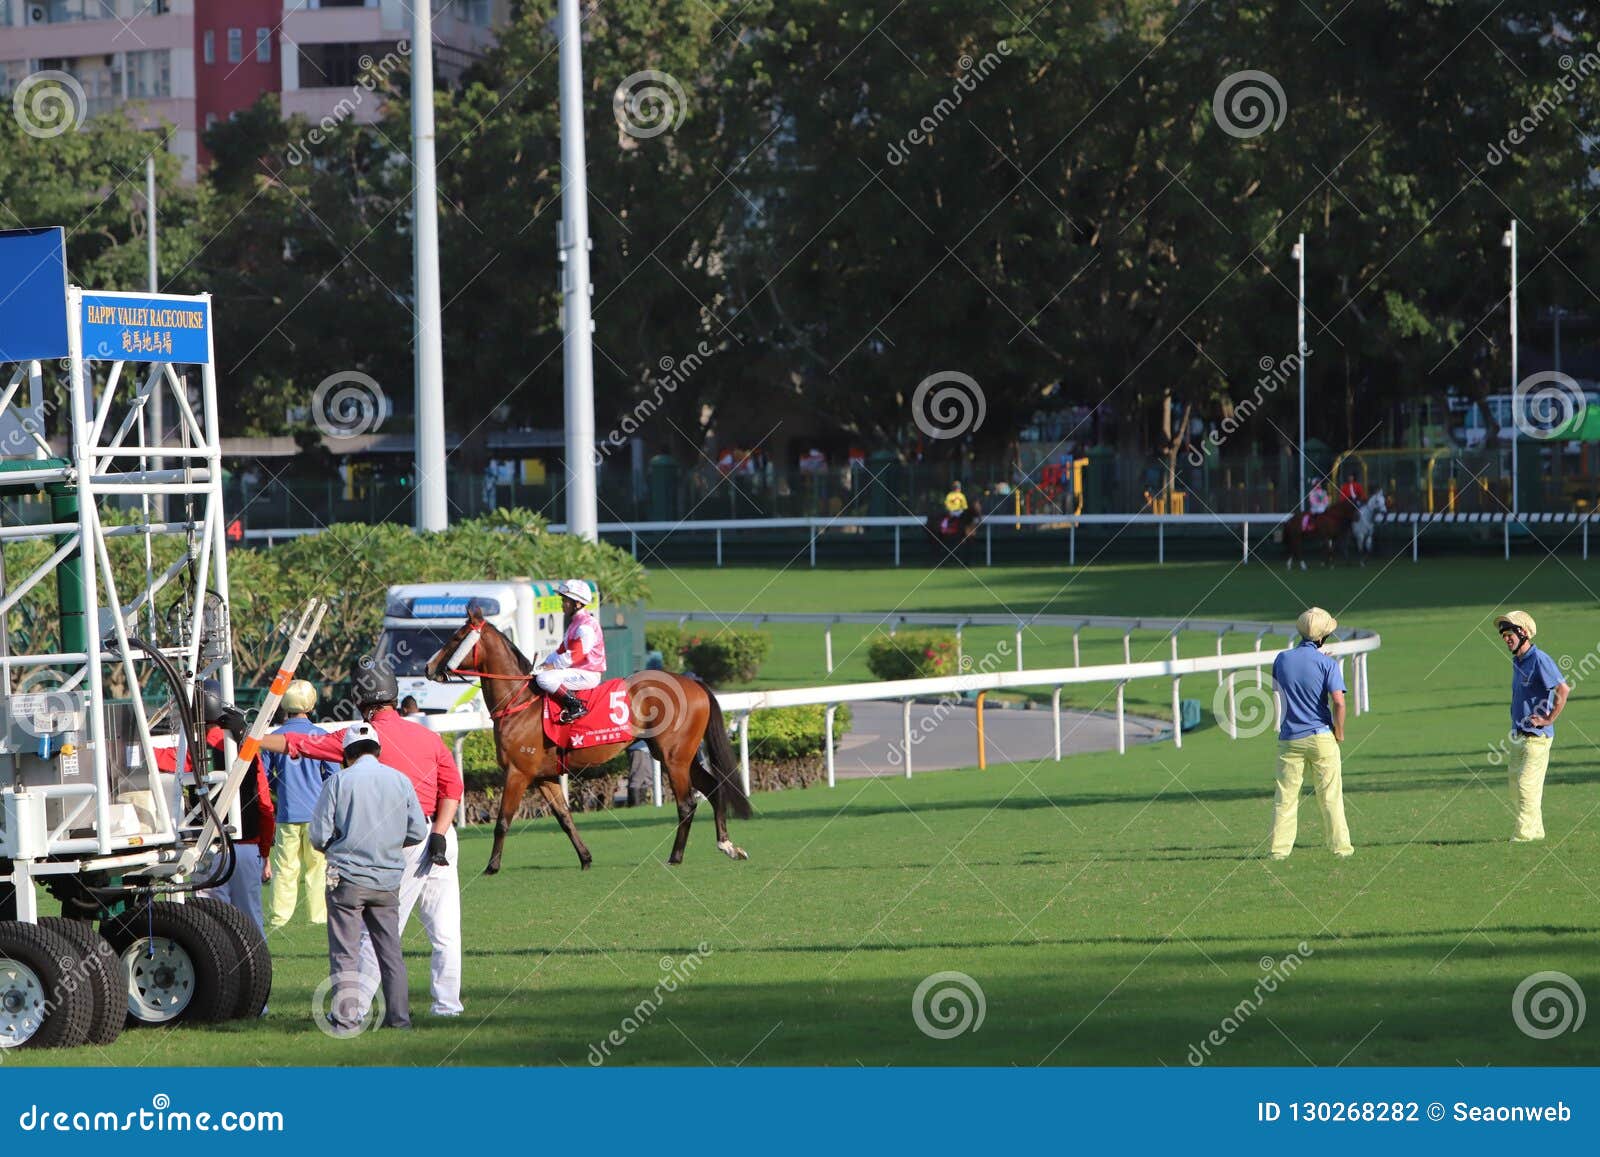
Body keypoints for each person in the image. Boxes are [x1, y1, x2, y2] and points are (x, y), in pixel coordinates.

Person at [258, 659, 465, 1016]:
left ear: (360, 700)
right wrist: (440, 834)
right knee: (445, 932)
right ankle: (447, 1005)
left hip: (398, 845)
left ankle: (353, 1010)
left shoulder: (357, 738)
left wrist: (253, 737)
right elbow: (453, 788)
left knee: (380, 932)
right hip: (439, 836)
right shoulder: (429, 736)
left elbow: (300, 744)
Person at [311, 722, 427, 1033]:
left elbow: (318, 836)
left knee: (345, 951)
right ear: (377, 750)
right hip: (388, 879)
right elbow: (417, 831)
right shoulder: (400, 780)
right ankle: (399, 1019)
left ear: (346, 754)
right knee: (390, 952)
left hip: (347, 878)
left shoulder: (338, 782)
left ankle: (347, 1019)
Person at [157, 680, 276, 932]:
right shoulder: (248, 749)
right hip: (246, 847)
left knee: (210, 927)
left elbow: (161, 760)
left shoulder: (193, 749)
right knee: (251, 922)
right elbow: (265, 804)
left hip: (208, 848)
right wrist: (264, 851)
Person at [1267, 607, 1354, 861]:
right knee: (1330, 797)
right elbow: (1338, 702)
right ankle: (1341, 849)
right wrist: (1340, 733)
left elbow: (1286, 686)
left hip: (1290, 738)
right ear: (1322, 637)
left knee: (1285, 798)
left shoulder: (1282, 659)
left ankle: (1279, 851)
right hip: (1321, 736)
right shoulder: (1328, 664)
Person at [264, 679, 338, 930]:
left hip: (286, 814)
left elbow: (263, 777)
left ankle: (279, 918)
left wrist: (279, 789)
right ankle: (318, 917)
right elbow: (332, 778)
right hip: (319, 815)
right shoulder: (322, 736)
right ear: (312, 703)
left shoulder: (273, 738)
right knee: (318, 868)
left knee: (285, 868)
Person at [1496, 611, 1569, 843]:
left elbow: (1563, 689)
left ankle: (1524, 834)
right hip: (1519, 734)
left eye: (1509, 634)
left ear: (1524, 633)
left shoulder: (1539, 659)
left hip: (1537, 737)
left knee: (1526, 785)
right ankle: (1536, 830)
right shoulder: (1518, 660)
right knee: (1515, 786)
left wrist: (1548, 719)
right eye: (1503, 635)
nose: (1506, 639)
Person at [534, 579, 606, 724]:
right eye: (563, 599)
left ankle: (576, 706)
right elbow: (560, 651)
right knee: (539, 674)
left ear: (578, 604)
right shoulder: (575, 623)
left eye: (566, 600)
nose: (562, 604)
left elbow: (575, 656)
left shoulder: (586, 626)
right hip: (577, 671)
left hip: (587, 674)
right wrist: (542, 665)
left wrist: (552, 667)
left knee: (544, 679)